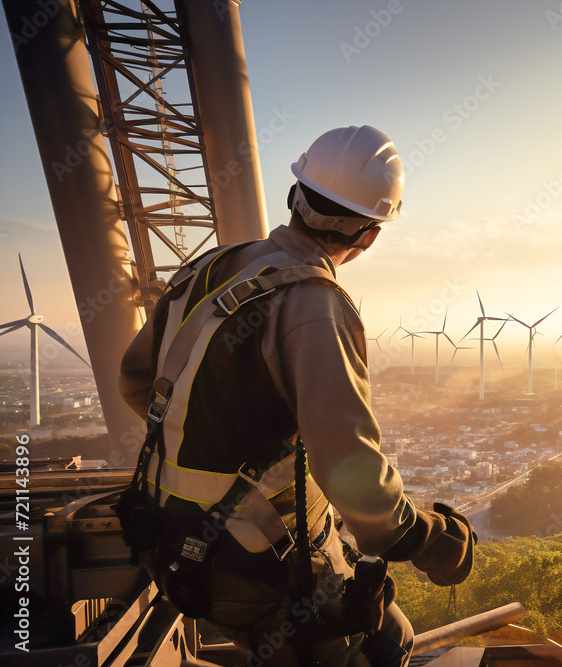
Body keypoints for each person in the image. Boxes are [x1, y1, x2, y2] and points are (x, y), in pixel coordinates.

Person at [119, 125, 476, 666]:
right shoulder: (314, 302)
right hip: (248, 562)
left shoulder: (212, 267)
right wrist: (422, 540)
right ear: (370, 234)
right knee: (382, 643)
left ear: (295, 196)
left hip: (161, 532)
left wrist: (212, 440)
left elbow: (134, 379)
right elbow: (350, 465)